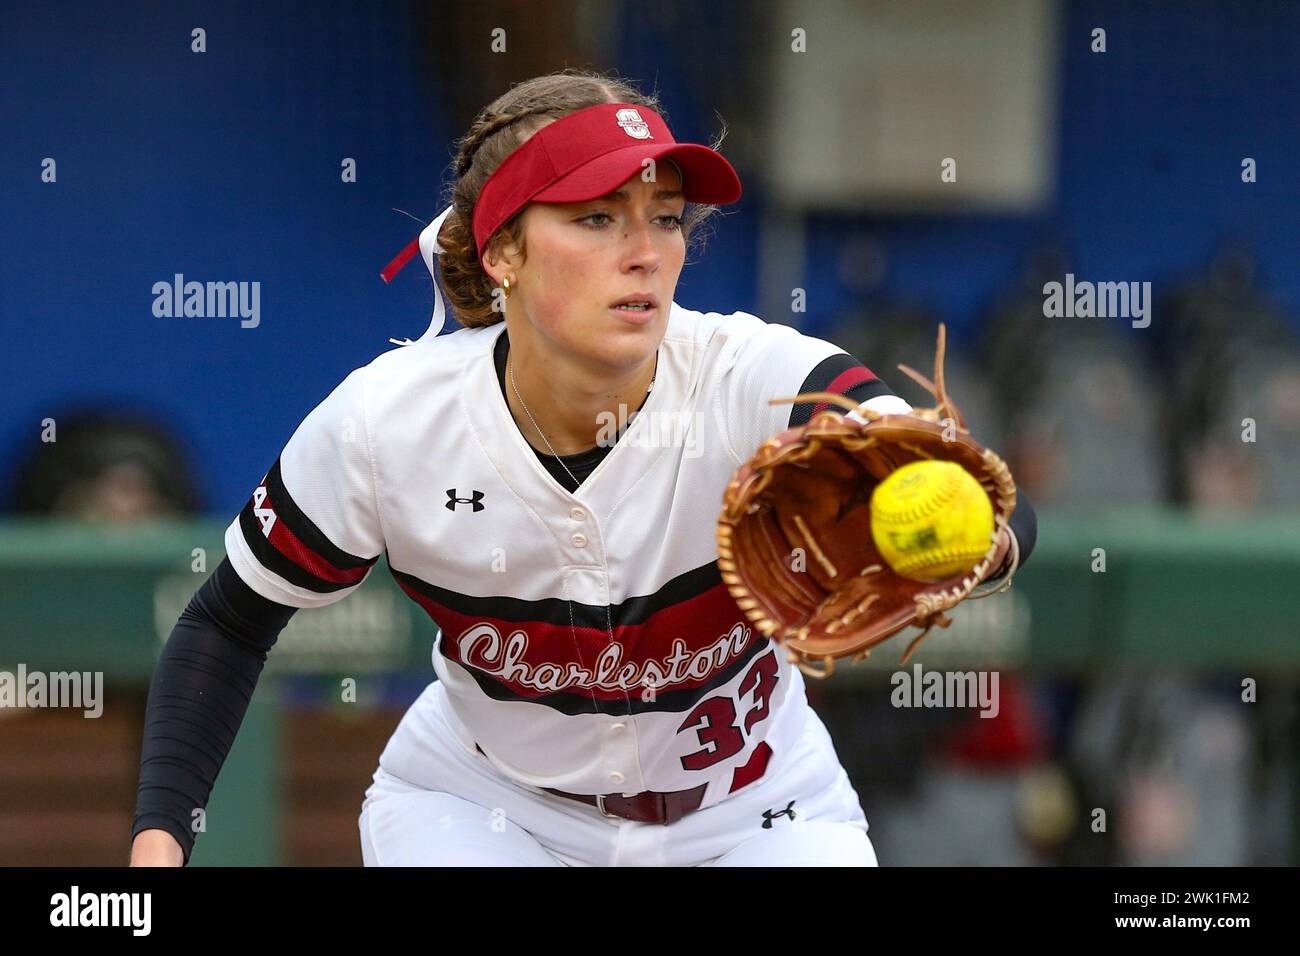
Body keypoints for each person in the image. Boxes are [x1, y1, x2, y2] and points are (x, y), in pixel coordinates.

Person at [131, 68, 1036, 867]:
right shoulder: (388, 424)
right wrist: (161, 840)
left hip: (758, 810)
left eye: (666, 218)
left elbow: (996, 507)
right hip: (486, 811)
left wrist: (975, 546)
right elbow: (227, 623)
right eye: (596, 218)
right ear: (503, 254)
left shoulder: (757, 380)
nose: (644, 250)